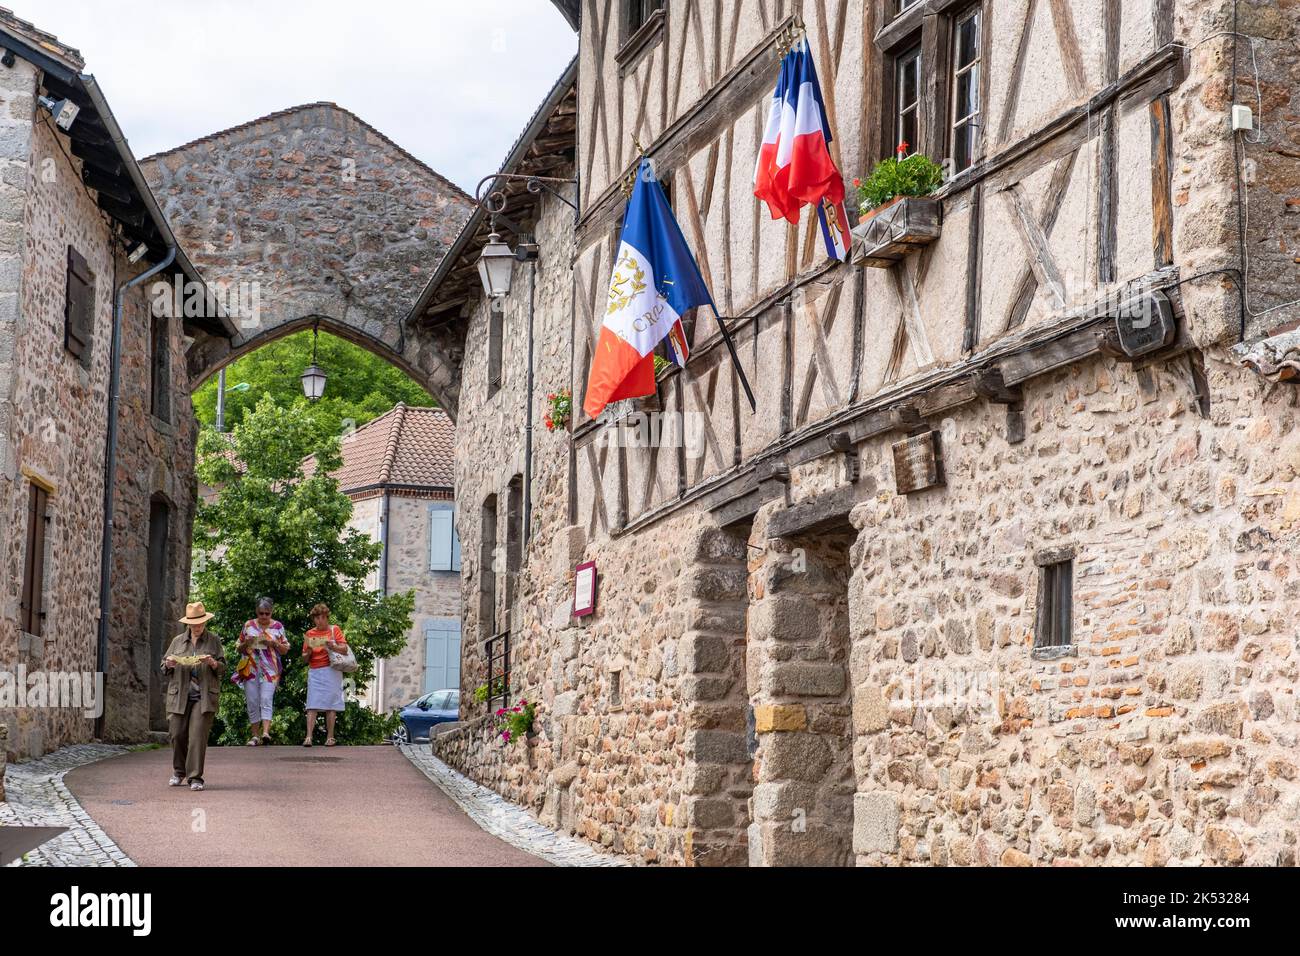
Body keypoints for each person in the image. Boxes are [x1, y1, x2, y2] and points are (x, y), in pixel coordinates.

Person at [162, 602, 225, 791]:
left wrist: (213, 662)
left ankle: (195, 777)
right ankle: (178, 772)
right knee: (177, 734)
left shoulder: (213, 641)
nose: (197, 627)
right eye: (193, 624)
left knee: (197, 736)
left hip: (203, 696)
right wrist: (169, 664)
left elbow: (223, 668)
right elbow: (163, 667)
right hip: (179, 695)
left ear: (205, 622)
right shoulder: (177, 641)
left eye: (200, 623)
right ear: (188, 624)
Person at [233, 597, 289, 746]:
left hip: (270, 669)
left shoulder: (277, 626)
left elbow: (285, 649)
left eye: (267, 613)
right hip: (250, 668)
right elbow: (238, 647)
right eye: (261, 613)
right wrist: (247, 643)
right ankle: (255, 735)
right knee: (252, 701)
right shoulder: (248, 625)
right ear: (256, 612)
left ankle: (265, 732)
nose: (264, 617)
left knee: (266, 699)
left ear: (271, 612)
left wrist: (274, 643)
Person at [302, 603, 348, 747]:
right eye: (317, 618)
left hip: (331, 669)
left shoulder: (334, 630)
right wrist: (308, 650)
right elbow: (304, 658)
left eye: (322, 618)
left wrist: (332, 646)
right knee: (312, 703)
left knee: (331, 704)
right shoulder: (310, 634)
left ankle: (330, 737)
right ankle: (308, 737)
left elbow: (345, 649)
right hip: (315, 670)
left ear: (327, 618)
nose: (319, 621)